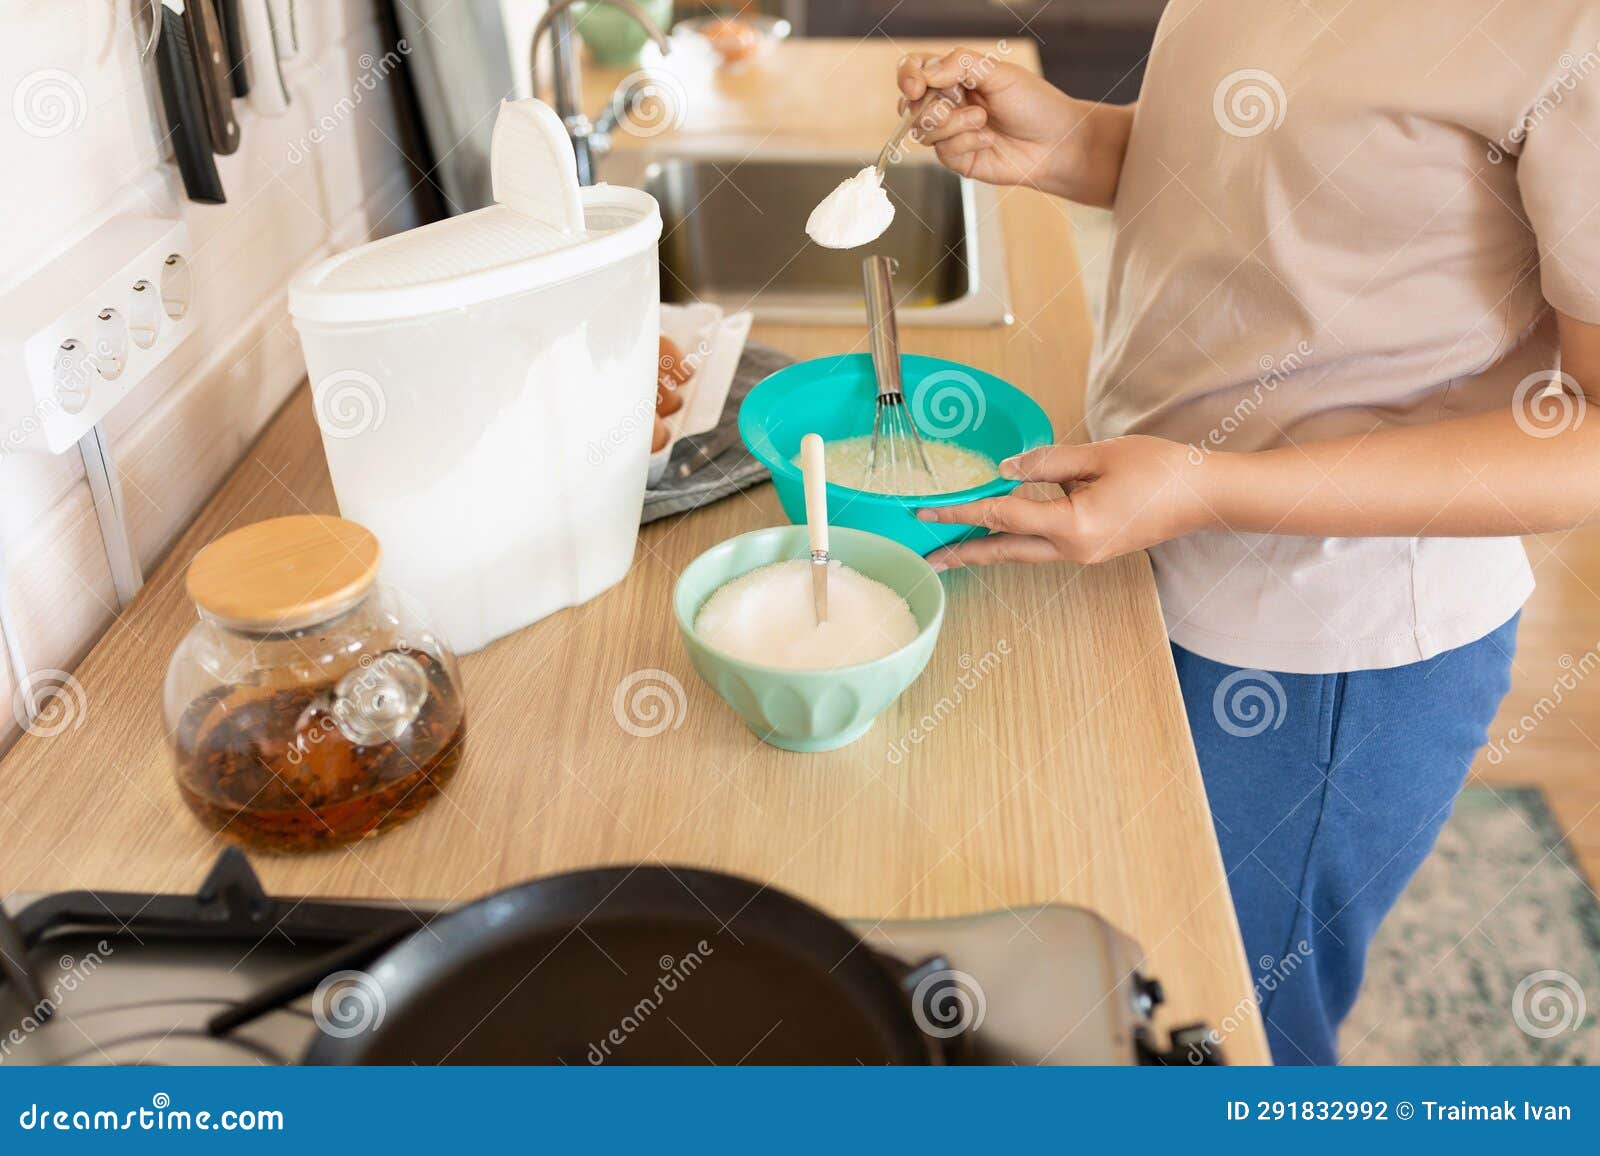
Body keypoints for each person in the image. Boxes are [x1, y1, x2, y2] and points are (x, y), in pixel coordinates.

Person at [899, 2, 1600, 1064]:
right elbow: (1279, 174)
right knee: (1110, 984)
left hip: (1325, 657)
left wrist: (1209, 487)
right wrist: (1077, 142)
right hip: (1149, 541)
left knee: (1227, 1046)